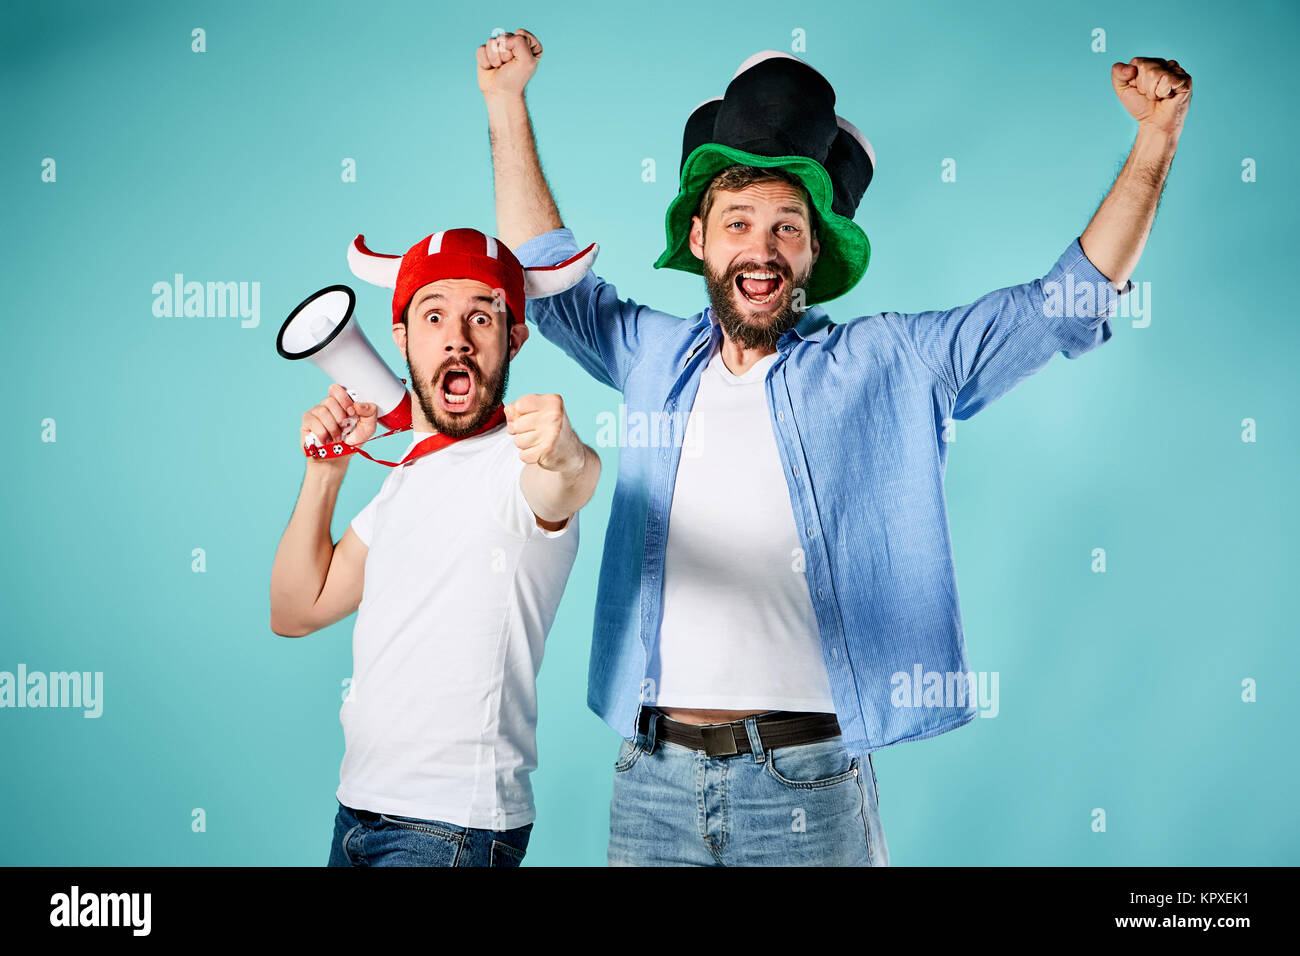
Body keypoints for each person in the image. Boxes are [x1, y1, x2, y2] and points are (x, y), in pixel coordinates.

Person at [477, 31, 1191, 867]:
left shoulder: (892, 361)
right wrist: (505, 102)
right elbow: (544, 275)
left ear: (814, 253)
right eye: (739, 221)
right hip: (652, 781)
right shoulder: (648, 357)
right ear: (701, 241)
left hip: (806, 784)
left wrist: (1154, 143)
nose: (764, 245)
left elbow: (1062, 304)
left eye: (789, 226)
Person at [269, 227, 601, 866]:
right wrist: (325, 472)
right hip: (358, 811)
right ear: (403, 339)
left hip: (449, 827)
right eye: (434, 316)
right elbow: (294, 609)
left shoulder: (516, 462)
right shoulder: (408, 480)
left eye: (483, 316)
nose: (458, 337)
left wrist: (566, 454)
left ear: (514, 338)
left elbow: (570, 481)